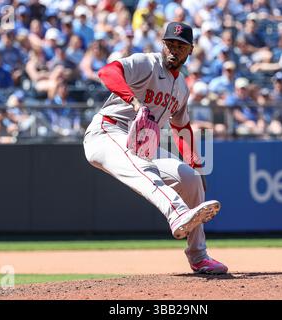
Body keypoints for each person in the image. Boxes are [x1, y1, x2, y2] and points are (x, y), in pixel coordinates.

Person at [83, 22, 228, 274]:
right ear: (162, 44)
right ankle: (177, 213)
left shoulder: (181, 87)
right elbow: (107, 71)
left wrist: (197, 165)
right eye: (170, 44)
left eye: (180, 46)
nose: (174, 50)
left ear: (190, 50)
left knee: (190, 179)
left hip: (142, 145)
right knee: (143, 168)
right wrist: (134, 101)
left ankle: (199, 256)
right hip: (107, 131)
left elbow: (181, 128)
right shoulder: (146, 63)